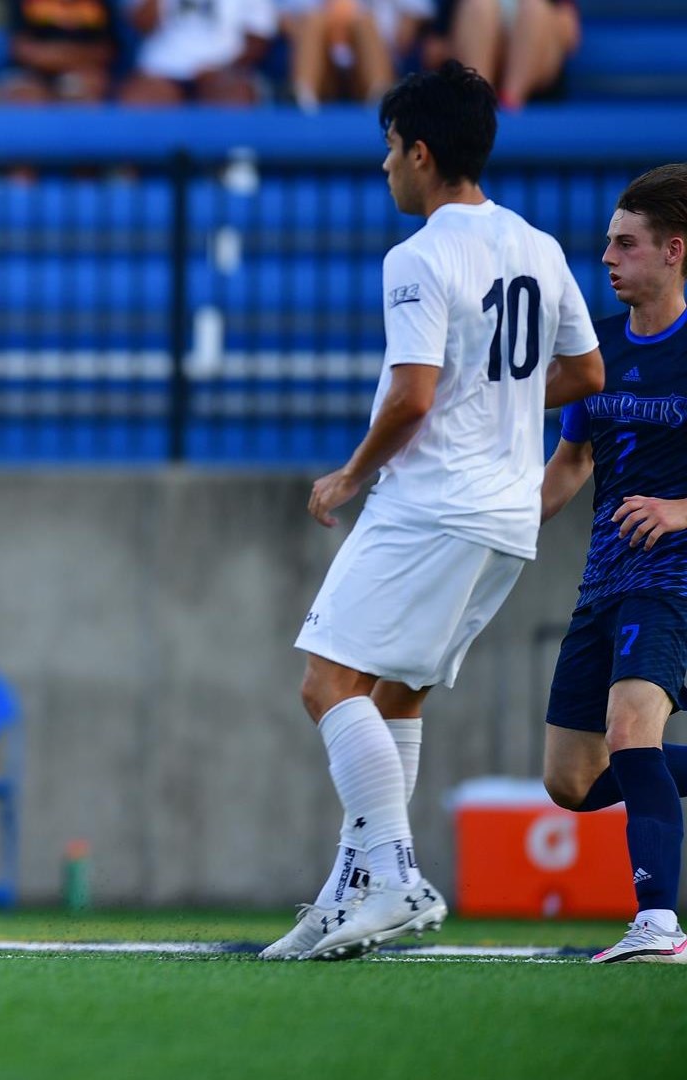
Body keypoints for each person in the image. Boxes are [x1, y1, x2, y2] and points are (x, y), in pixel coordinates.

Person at [269, 61, 604, 961]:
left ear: (422, 152)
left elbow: (414, 398)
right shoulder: (539, 245)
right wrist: (498, 400)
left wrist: (346, 476)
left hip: (432, 505)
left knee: (325, 683)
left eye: (389, 149)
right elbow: (586, 374)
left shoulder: (418, 257)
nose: (385, 167)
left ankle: (395, 873)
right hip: (507, 514)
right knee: (395, 696)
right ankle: (351, 893)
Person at [538, 163, 687, 964]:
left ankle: (659, 924)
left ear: (673, 251)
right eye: (606, 243)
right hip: (603, 582)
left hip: (673, 580)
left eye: (625, 244)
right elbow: (571, 461)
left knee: (632, 726)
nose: (606, 257)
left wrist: (678, 512)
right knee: (572, 779)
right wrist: (500, 528)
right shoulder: (594, 353)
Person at [117, 0, 277, 106]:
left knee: (234, 98)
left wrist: (226, 69)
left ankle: (234, 158)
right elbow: (141, 23)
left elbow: (259, 37)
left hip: (224, 67)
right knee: (139, 100)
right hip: (163, 69)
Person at [278, 0, 430, 109]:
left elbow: (406, 32)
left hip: (376, 62)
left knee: (363, 23)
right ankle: (302, 99)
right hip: (323, 69)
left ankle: (380, 102)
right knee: (314, 21)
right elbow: (285, 20)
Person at [446, 0, 578, 111]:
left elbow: (570, 36)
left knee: (534, 9)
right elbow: (435, 49)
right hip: (474, 64)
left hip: (537, 72)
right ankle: (480, 102)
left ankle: (510, 103)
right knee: (479, 6)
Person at [0, 0, 117, 105]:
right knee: (26, 97)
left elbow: (105, 51)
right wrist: (69, 55)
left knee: (89, 87)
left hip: (78, 73)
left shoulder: (99, 4)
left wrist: (54, 56)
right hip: (29, 73)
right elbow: (21, 49)